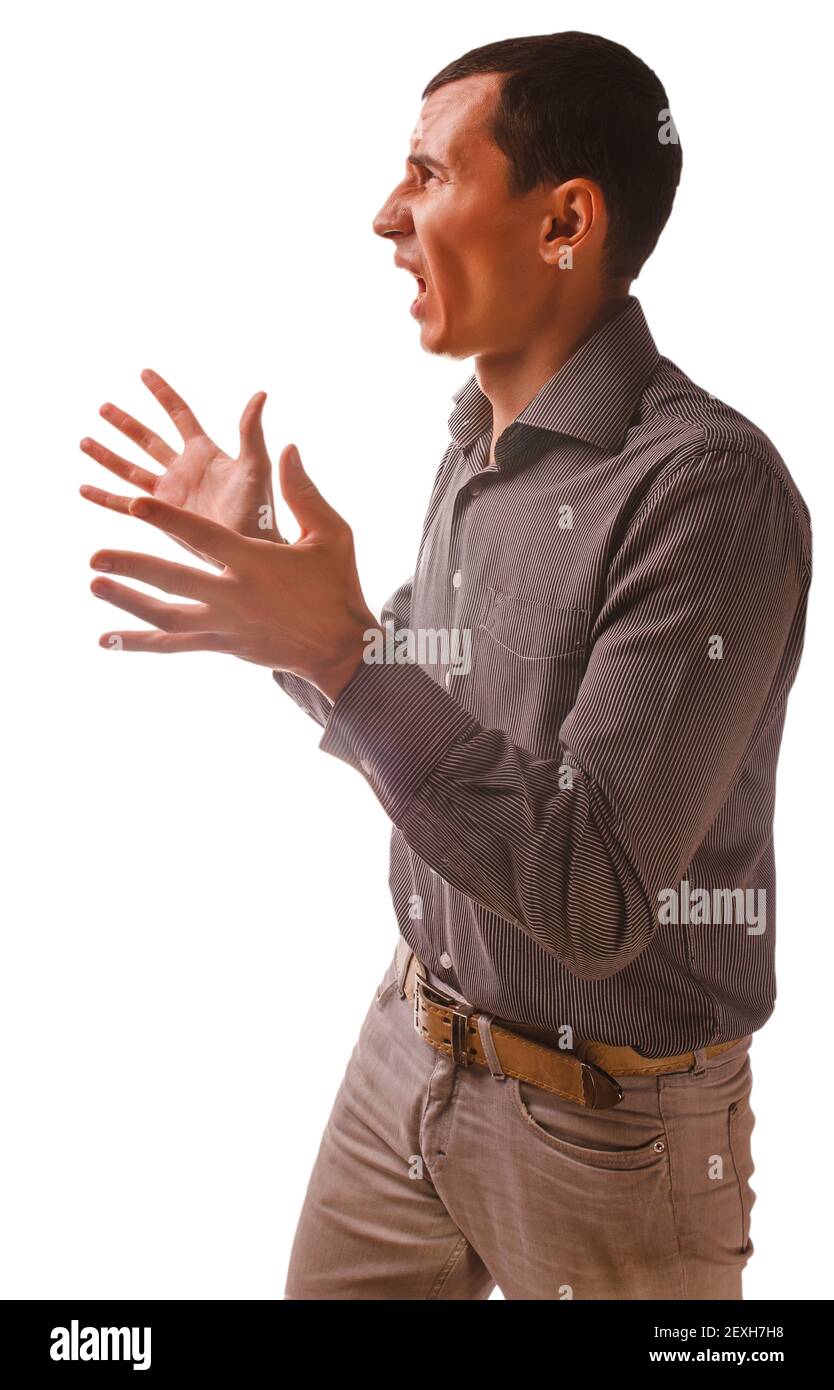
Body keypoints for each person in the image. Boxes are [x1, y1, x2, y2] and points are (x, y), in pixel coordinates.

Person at [80, 31, 811, 1300]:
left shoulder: (709, 492)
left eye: (427, 173)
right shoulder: (478, 438)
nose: (386, 215)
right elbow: (414, 696)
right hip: (409, 1046)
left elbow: (592, 896)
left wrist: (342, 652)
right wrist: (288, 596)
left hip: (612, 1135)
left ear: (565, 221)